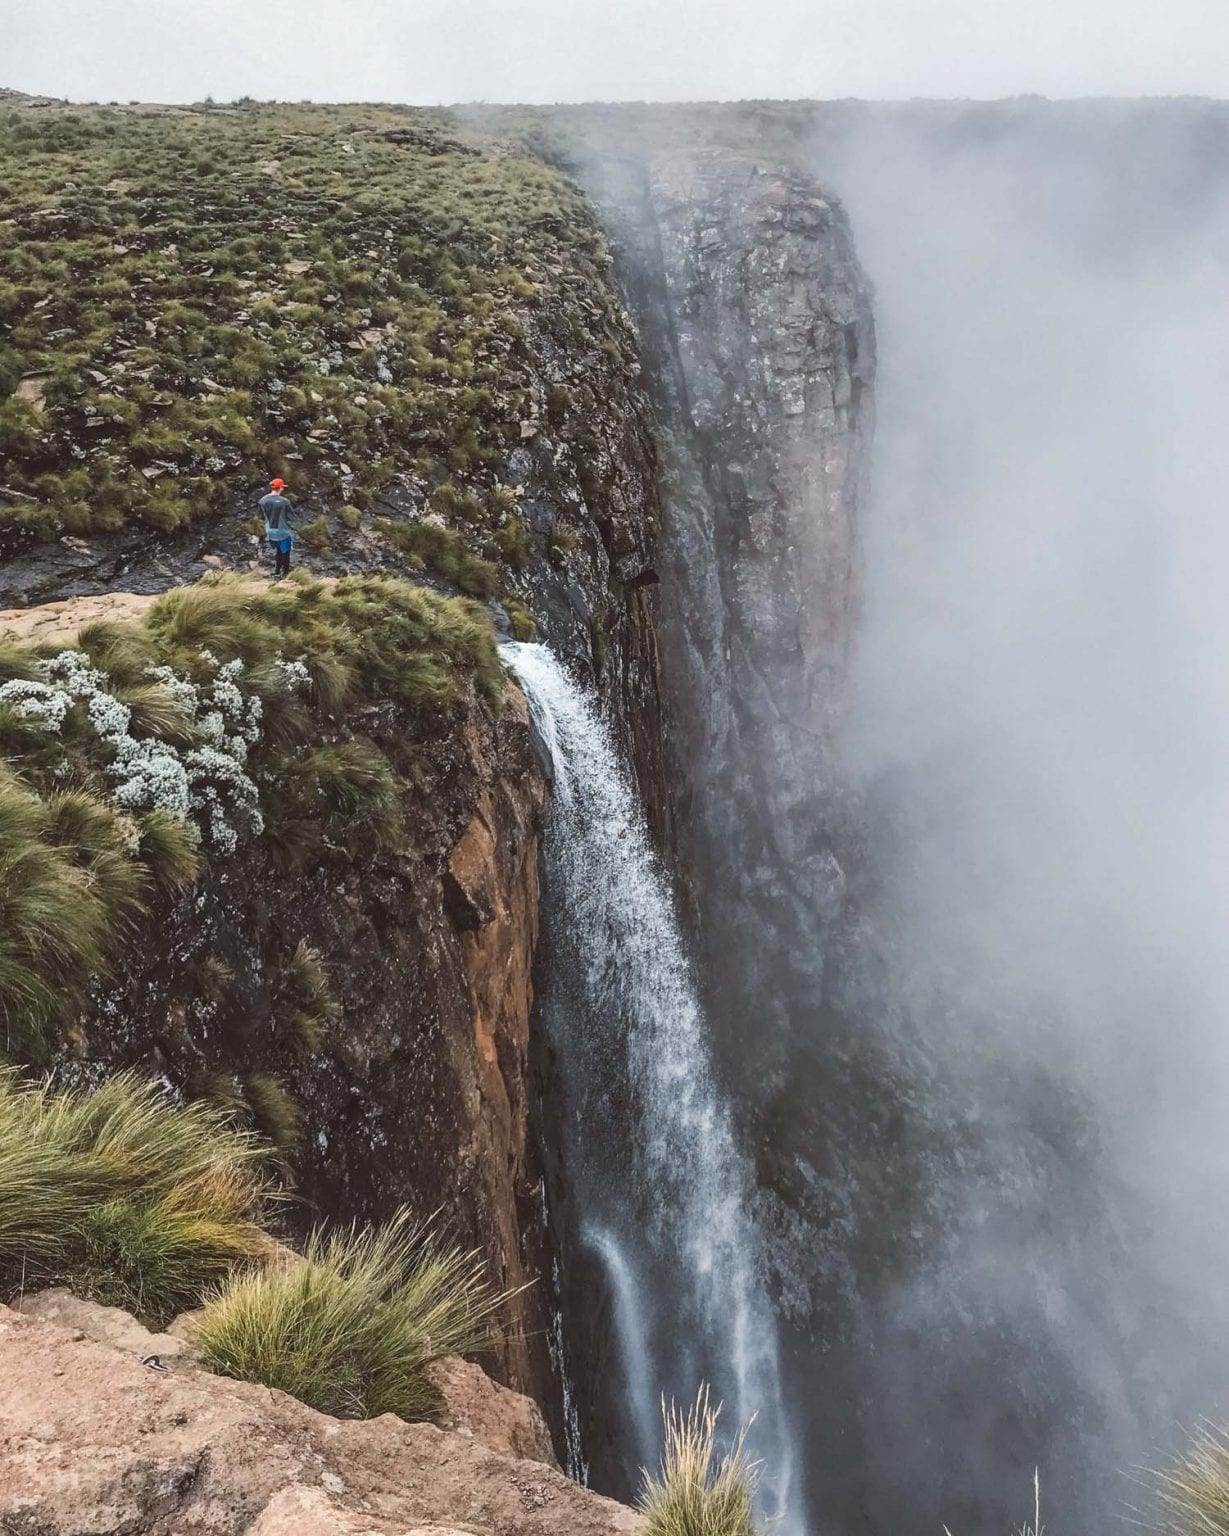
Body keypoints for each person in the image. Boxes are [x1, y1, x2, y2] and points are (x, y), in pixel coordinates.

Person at [259, 478, 296, 578]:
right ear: (280, 488)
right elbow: (292, 517)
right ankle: (285, 573)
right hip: (282, 531)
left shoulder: (262, 500)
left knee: (279, 551)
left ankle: (277, 571)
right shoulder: (284, 501)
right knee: (285, 552)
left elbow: (260, 516)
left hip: (270, 531)